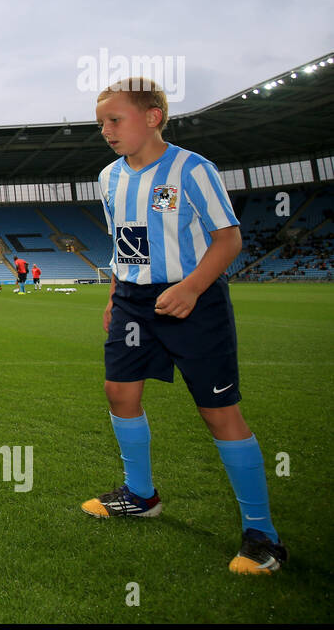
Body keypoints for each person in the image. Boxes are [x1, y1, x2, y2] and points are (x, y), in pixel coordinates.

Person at [85, 77, 284, 574]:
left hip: (193, 301)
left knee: (219, 412)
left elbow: (228, 239)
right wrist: (116, 295)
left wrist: (192, 287)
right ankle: (141, 495)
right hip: (133, 301)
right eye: (101, 123)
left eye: (115, 120)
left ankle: (263, 535)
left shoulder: (193, 169)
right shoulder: (109, 177)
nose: (106, 131)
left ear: (152, 117)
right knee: (119, 393)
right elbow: (124, 244)